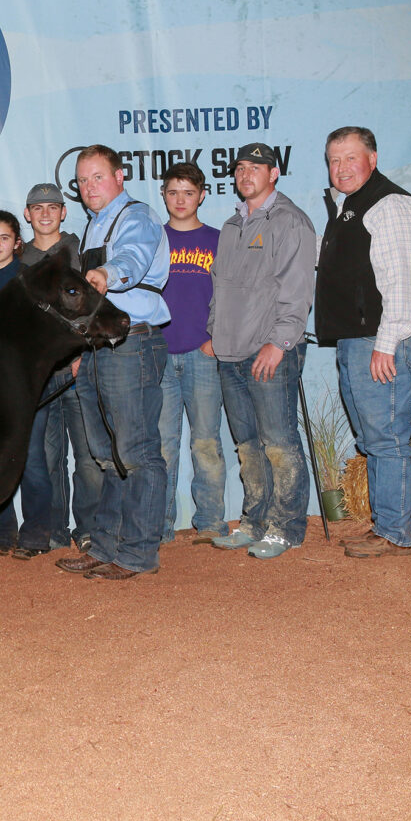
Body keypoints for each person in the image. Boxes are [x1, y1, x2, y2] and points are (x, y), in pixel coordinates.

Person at [56, 145, 171, 581]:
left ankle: (139, 552)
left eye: (97, 177)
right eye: (83, 181)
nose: (89, 187)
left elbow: (133, 258)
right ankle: (106, 545)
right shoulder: (93, 227)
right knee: (105, 453)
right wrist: (81, 351)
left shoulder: (136, 216)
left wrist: (107, 275)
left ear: (120, 176)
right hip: (98, 346)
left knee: (137, 452)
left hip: (132, 342)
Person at [316, 127, 411, 559]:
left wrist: (387, 343)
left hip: (382, 340)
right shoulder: (351, 206)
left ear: (373, 158)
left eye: (350, 157)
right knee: (373, 436)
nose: (341, 167)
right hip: (359, 338)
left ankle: (395, 533)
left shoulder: (390, 203)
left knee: (386, 439)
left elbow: (399, 281)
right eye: (333, 159)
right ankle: (387, 525)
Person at [207, 142, 315, 559]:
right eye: (241, 167)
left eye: (257, 167)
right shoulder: (232, 226)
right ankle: (254, 521)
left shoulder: (290, 222)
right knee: (248, 445)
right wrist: (215, 331)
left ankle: (286, 527)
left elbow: (297, 290)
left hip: (270, 350)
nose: (246, 173)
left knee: (279, 443)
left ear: (274, 174)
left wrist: (280, 342)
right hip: (231, 352)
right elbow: (220, 287)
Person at [18, 182, 100, 553]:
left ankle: (88, 528)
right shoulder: (18, 261)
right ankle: (54, 528)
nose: (46, 213)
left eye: (53, 207)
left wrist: (87, 352)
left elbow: (96, 308)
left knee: (87, 456)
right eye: (39, 208)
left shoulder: (81, 255)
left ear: (64, 212)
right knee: (47, 457)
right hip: (39, 375)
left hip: (78, 367)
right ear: (28, 215)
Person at [156, 162, 227, 545]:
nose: (180, 200)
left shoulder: (218, 240)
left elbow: (232, 295)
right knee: (162, 445)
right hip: (160, 356)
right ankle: (161, 525)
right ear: (163, 196)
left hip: (204, 354)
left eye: (188, 192)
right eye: (172, 192)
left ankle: (212, 522)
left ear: (201, 195)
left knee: (206, 441)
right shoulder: (153, 240)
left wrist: (217, 336)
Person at [0, 208, 52, 558]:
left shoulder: (29, 280)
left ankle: (37, 529)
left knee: (33, 458)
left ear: (17, 242)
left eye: (4, 237)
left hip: (25, 386)